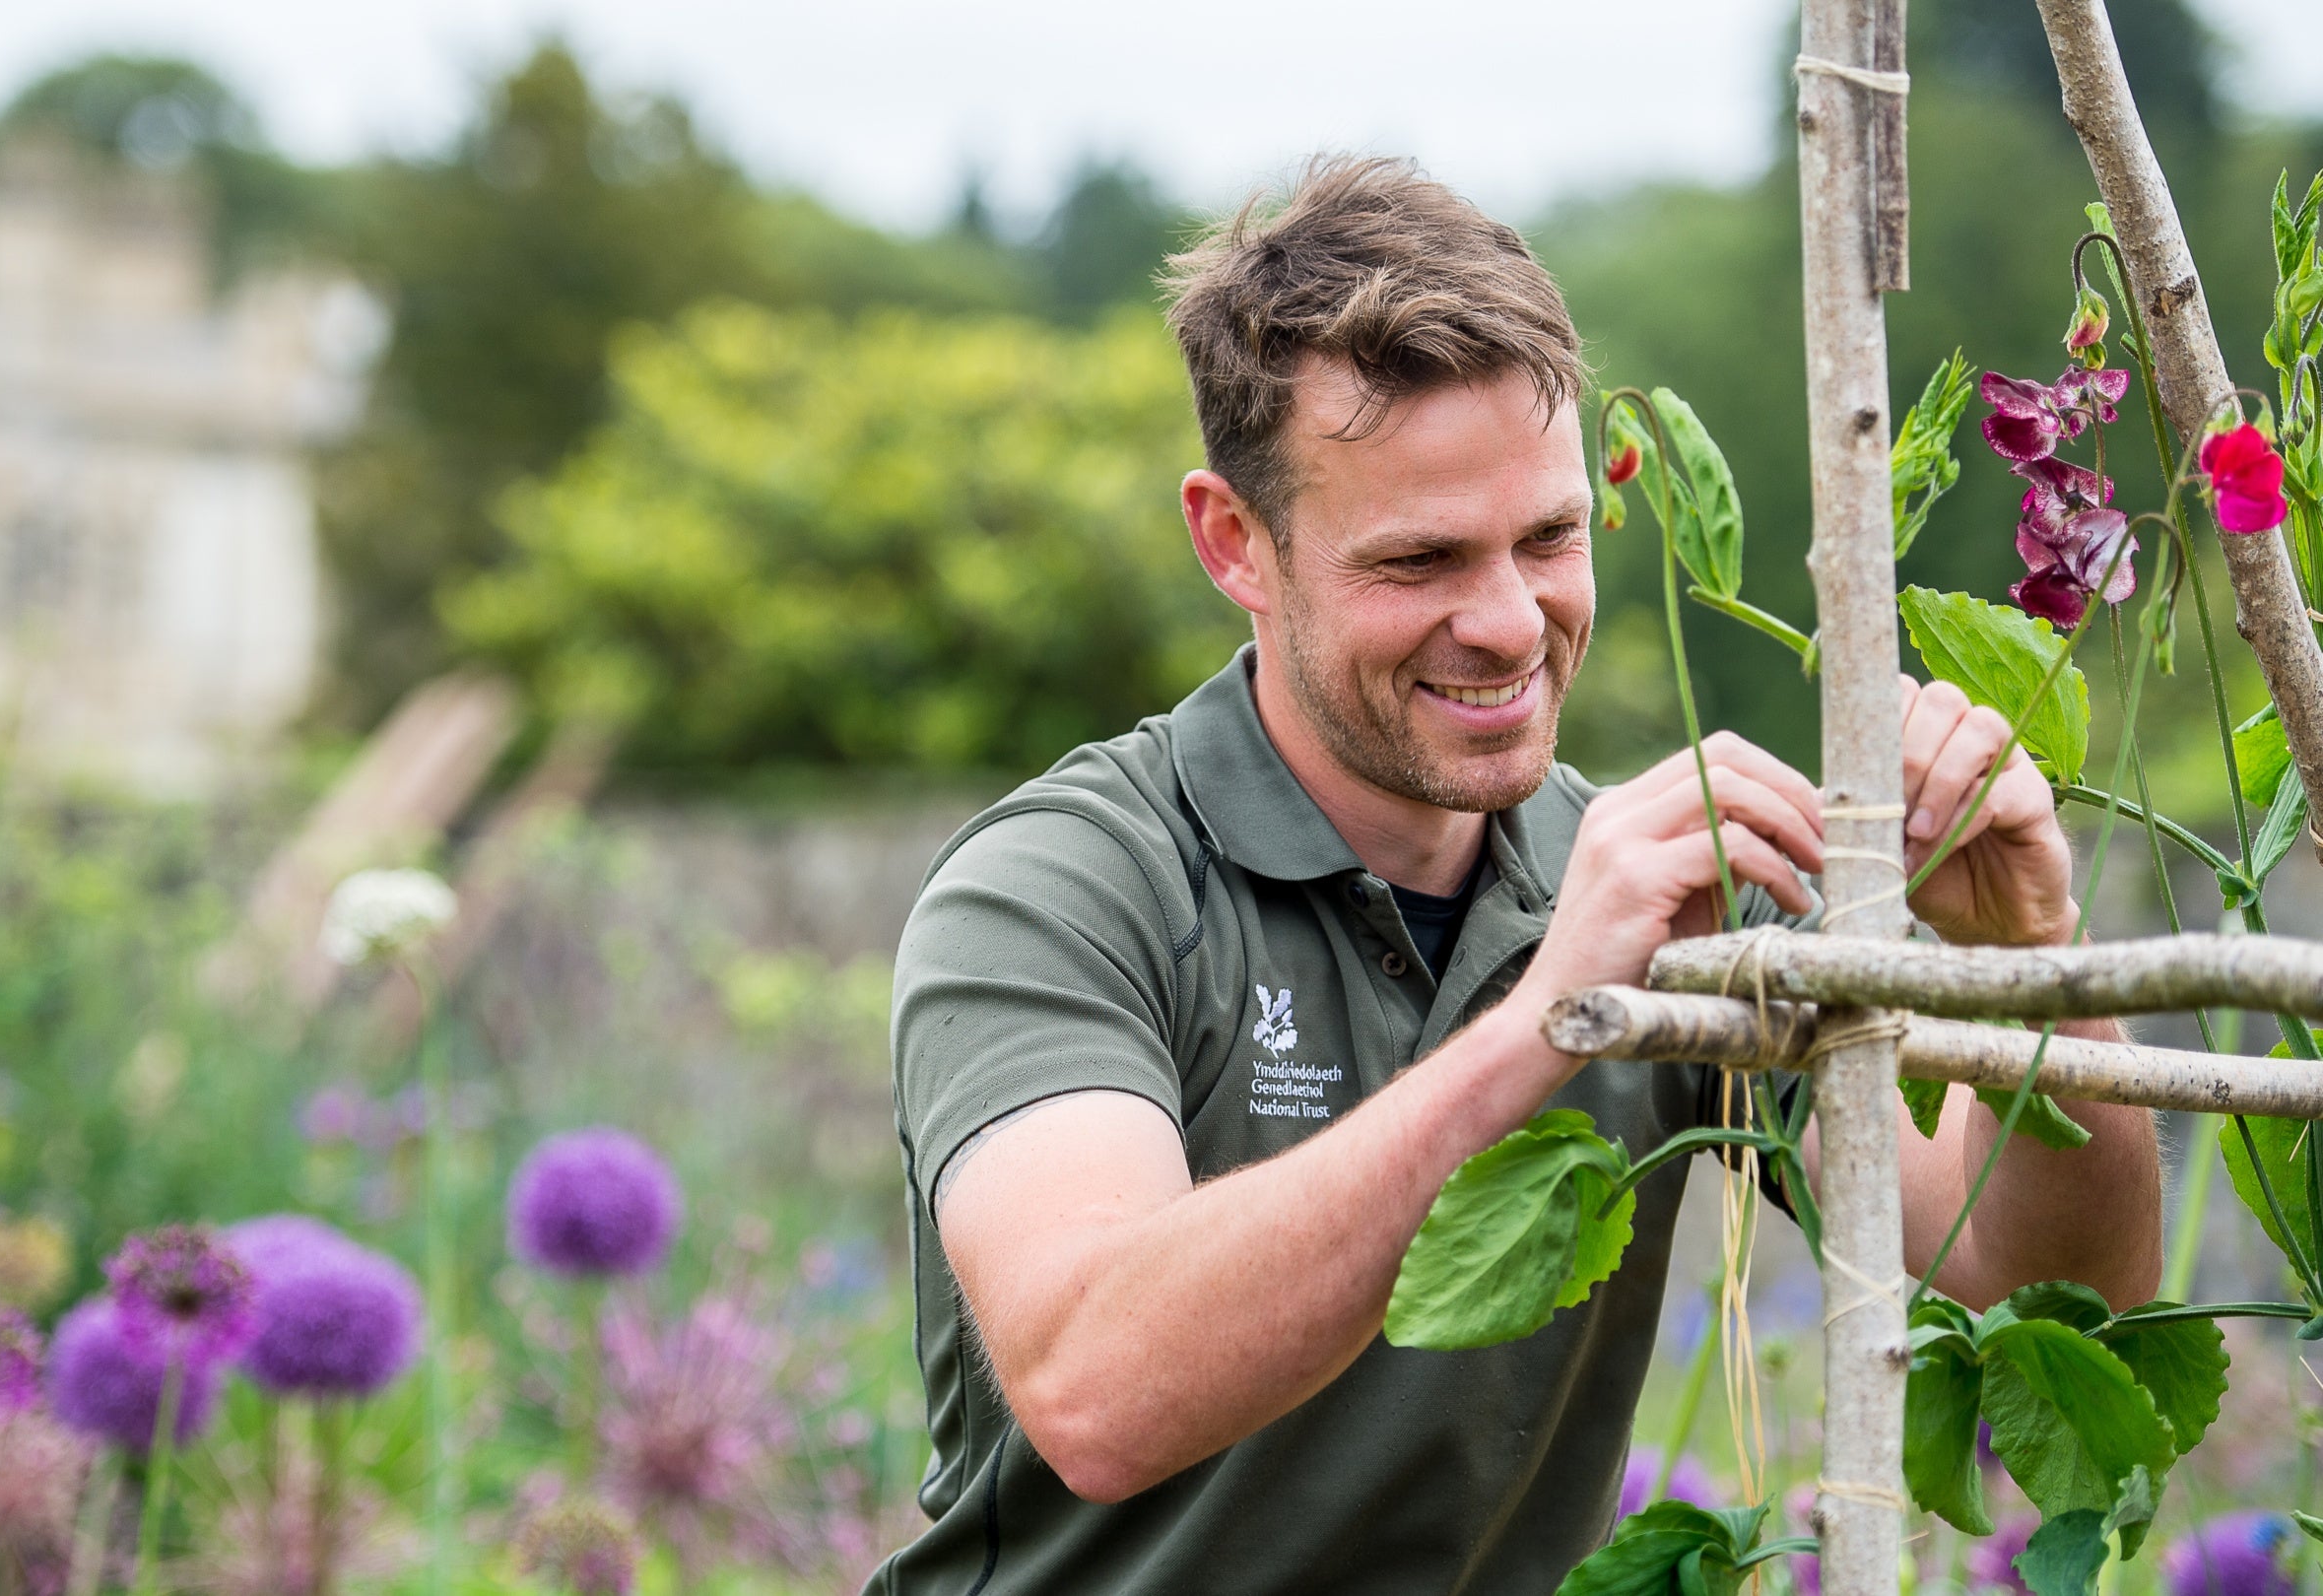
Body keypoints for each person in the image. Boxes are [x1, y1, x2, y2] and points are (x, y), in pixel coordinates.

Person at [866, 156, 2159, 1594]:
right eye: (1419, 560)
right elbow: (1097, 1393)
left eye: (1549, 537)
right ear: (1237, 543)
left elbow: (2055, 1292)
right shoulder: (1063, 886)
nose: (1507, 622)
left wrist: (2036, 964)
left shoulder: (1673, 891)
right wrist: (1554, 1012)